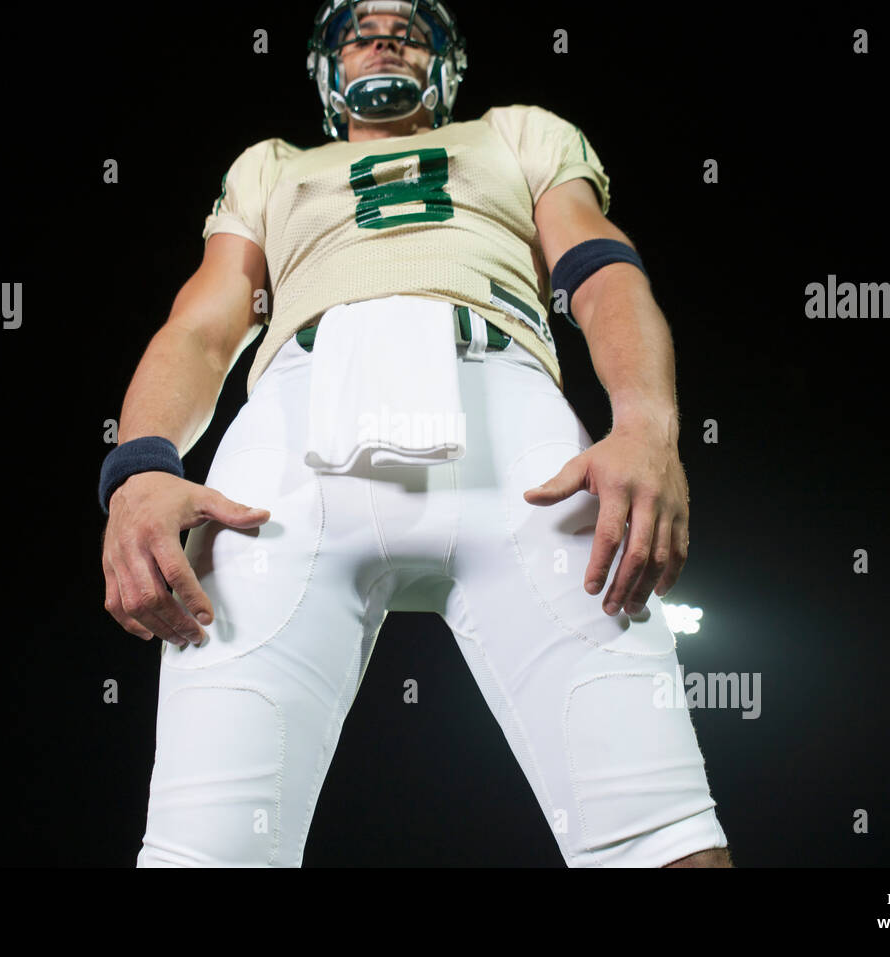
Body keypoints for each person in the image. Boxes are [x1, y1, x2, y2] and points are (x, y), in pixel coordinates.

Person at [100, 0, 732, 867]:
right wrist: (140, 467)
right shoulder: (272, 166)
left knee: (664, 838)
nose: (384, 38)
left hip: (514, 436)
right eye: (360, 30)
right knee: (203, 854)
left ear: (447, 61)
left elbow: (599, 267)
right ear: (329, 66)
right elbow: (204, 326)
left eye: (409, 29)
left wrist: (647, 427)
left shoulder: (517, 133)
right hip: (288, 451)